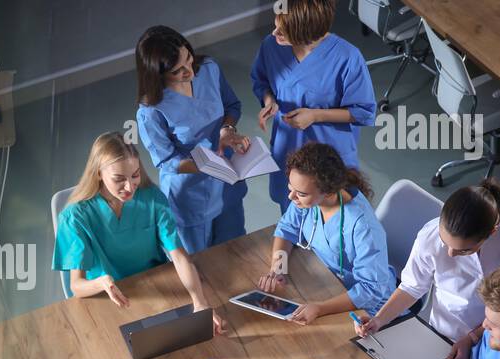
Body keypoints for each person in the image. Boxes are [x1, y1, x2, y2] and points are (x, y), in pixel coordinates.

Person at [356, 179, 500, 359]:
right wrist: (379, 320)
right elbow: (412, 287)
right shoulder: (429, 236)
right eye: (444, 242)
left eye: (464, 250)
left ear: (492, 232)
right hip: (444, 337)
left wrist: (472, 338)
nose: (450, 254)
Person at [54, 132, 227, 334]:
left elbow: (179, 257)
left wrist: (200, 303)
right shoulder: (75, 217)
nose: (129, 187)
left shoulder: (153, 198)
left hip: (159, 291)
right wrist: (101, 282)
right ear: (98, 173)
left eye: (135, 175)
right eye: (119, 179)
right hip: (111, 299)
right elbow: (76, 287)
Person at [251, 0, 376, 214]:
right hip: (289, 147)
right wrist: (270, 101)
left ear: (306, 32)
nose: (275, 33)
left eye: (284, 30)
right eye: (277, 24)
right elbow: (262, 81)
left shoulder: (347, 58)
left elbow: (363, 112)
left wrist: (316, 116)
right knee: (293, 210)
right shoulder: (271, 46)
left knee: (334, 214)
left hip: (329, 153)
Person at [135, 25, 252, 254]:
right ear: (157, 74)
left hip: (228, 181)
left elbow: (232, 106)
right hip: (191, 196)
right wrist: (207, 164)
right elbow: (167, 160)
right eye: (177, 71)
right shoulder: (150, 111)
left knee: (238, 251)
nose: (190, 71)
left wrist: (227, 130)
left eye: (188, 58)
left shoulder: (208, 68)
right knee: (202, 263)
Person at [256, 143, 395, 323]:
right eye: (291, 188)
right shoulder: (307, 198)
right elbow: (287, 228)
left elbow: (371, 290)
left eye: (300, 193)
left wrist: (320, 308)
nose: (291, 197)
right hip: (328, 283)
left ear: (328, 192)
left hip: (369, 310)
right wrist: (278, 269)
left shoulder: (363, 227)